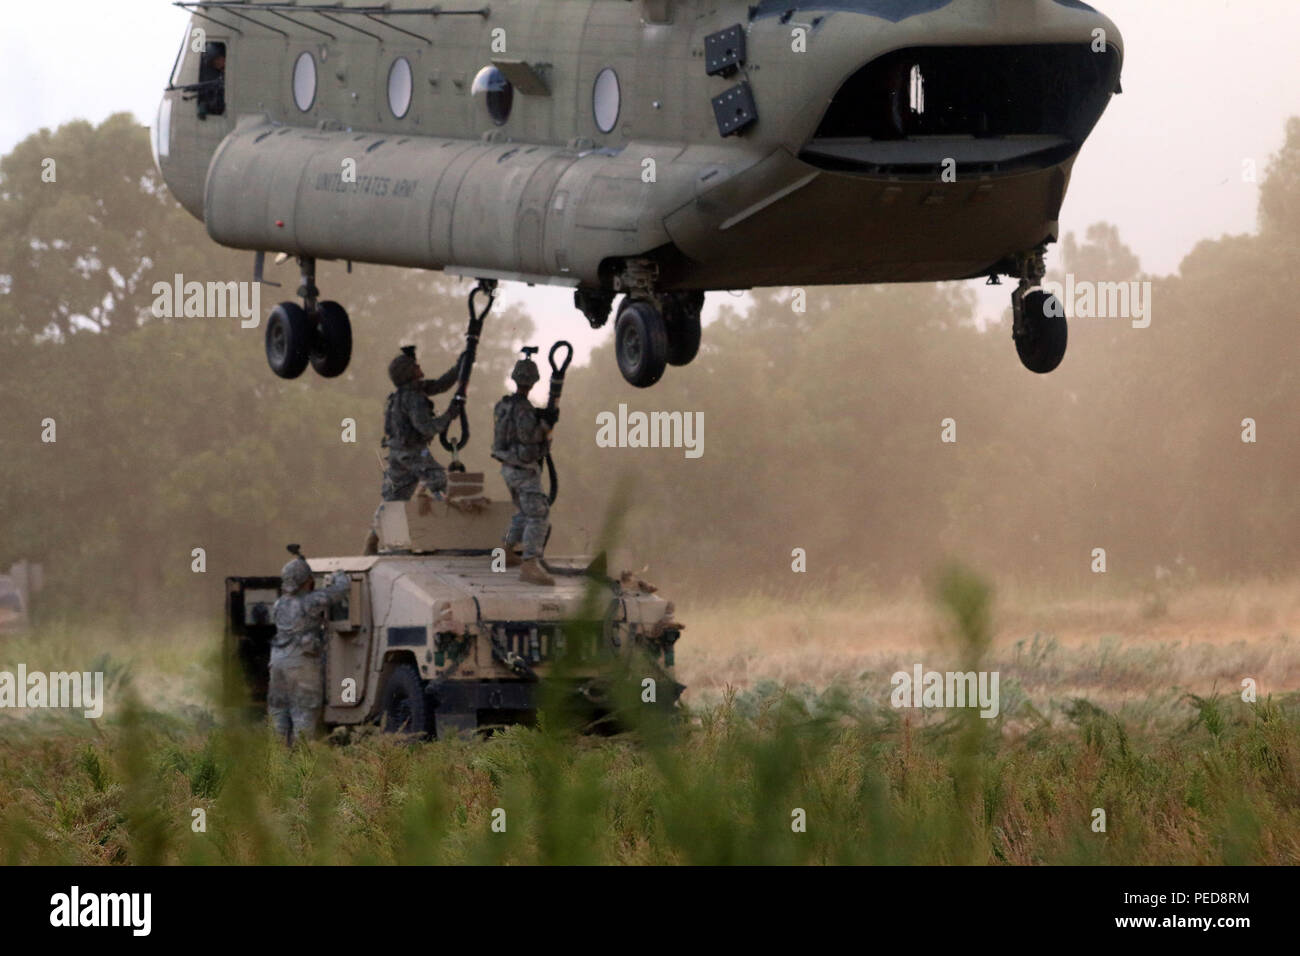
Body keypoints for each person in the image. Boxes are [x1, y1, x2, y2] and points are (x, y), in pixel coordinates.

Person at [268, 551, 349, 745]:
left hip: (277, 665)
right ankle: (301, 767)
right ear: (306, 580)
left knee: (279, 717)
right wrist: (339, 573)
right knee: (303, 714)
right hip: (301, 665)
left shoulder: (279, 603)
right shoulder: (310, 602)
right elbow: (341, 590)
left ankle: (278, 764)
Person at [492, 351, 558, 586]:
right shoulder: (523, 409)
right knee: (539, 514)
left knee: (522, 512)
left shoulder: (503, 405)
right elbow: (528, 437)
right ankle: (530, 564)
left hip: (507, 467)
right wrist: (546, 425)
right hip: (523, 470)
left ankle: (502, 554)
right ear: (533, 382)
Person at [381, 345, 464, 502]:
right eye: (414, 365)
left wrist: (460, 367)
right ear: (408, 373)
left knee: (395, 496)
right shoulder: (413, 397)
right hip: (413, 452)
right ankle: (455, 515)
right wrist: (449, 415)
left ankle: (381, 524)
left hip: (396, 452)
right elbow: (427, 428)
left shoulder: (402, 395)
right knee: (439, 480)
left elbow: (440, 385)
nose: (418, 366)